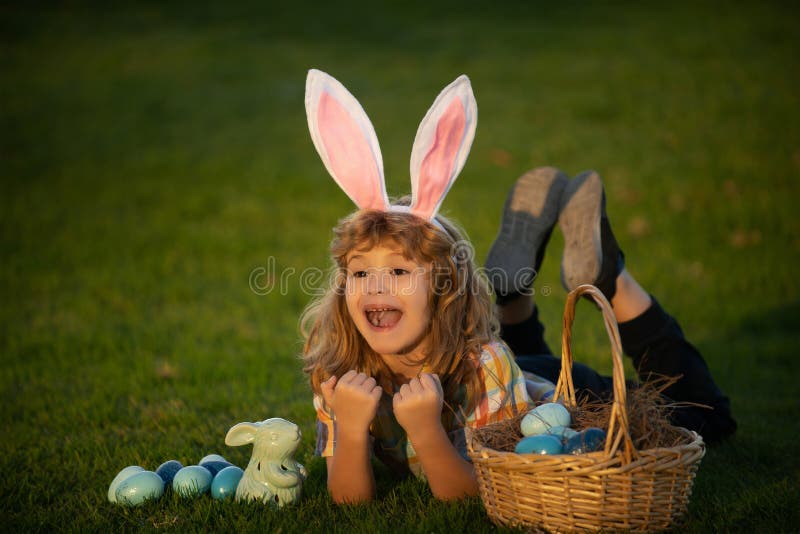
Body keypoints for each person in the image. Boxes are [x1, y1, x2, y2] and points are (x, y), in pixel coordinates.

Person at [300, 70, 534, 503]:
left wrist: (426, 432)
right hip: (492, 359)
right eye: (360, 272)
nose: (375, 286)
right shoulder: (338, 367)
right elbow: (349, 501)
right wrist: (350, 429)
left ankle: (556, 286)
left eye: (400, 272)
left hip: (528, 385)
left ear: (443, 286)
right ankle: (517, 293)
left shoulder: (485, 368)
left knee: (689, 407)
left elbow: (485, 497)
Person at [484, 166, 737, 444]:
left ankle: (584, 282)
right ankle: (532, 291)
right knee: (710, 416)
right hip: (516, 379)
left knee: (518, 376)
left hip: (514, 384)